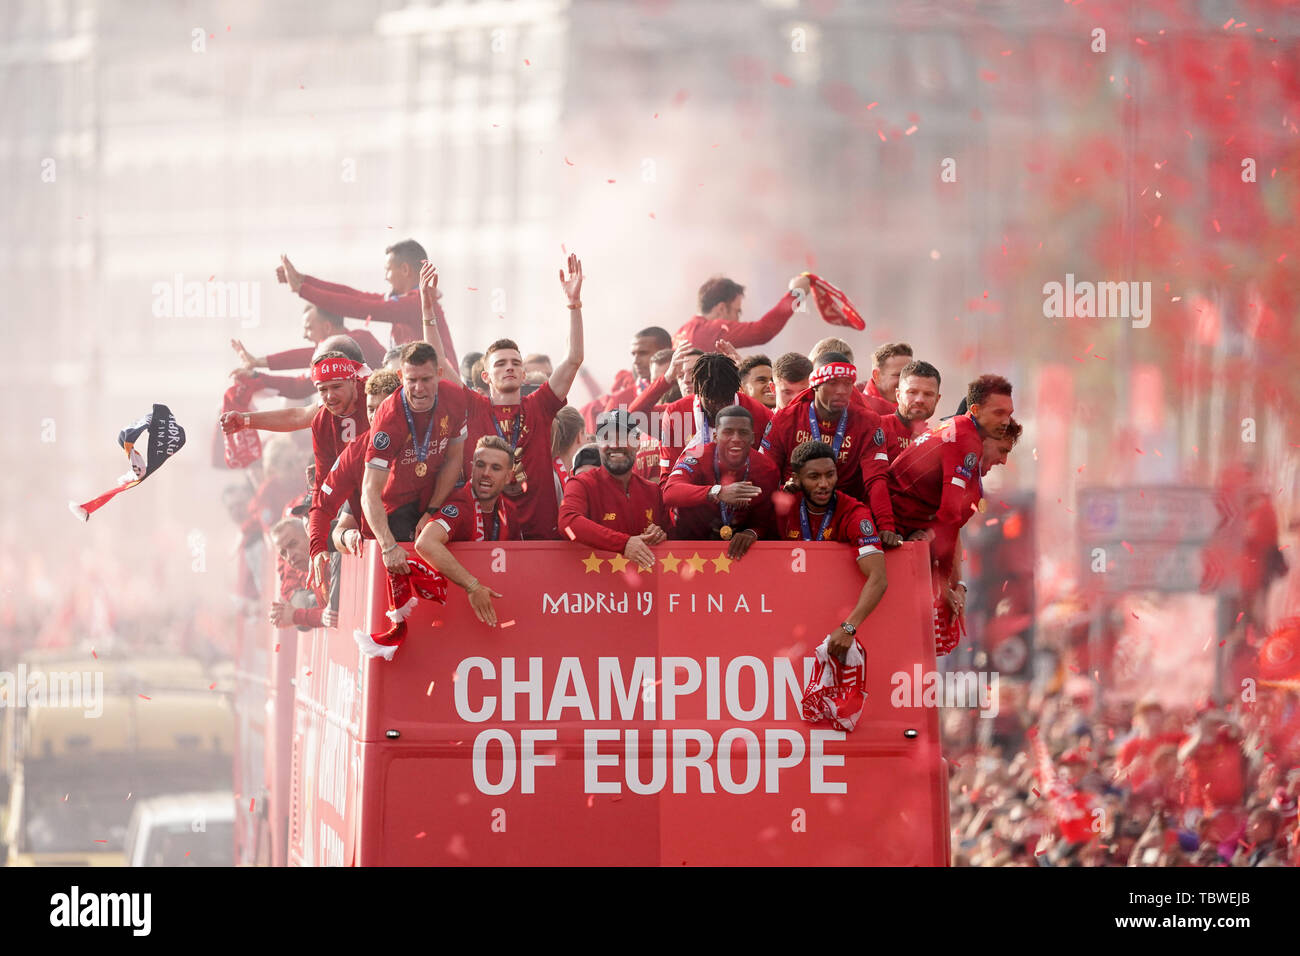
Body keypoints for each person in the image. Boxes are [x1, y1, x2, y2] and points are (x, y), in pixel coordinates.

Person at [455, 254, 585, 539]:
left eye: (515, 363)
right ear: (486, 377)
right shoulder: (475, 408)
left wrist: (573, 305)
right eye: (500, 364)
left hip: (542, 534)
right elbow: (440, 368)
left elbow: (574, 358)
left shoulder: (540, 404)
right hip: (486, 534)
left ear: (524, 374)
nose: (510, 367)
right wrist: (428, 310)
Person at [760, 352, 899, 544]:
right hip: (792, 512)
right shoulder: (785, 419)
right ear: (815, 385)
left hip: (845, 514)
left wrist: (886, 527)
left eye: (847, 384)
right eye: (833, 383)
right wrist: (755, 527)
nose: (841, 390)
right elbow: (765, 475)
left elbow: (876, 479)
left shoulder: (867, 422)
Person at [775, 441, 888, 660]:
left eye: (830, 475)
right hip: (785, 620)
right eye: (814, 477)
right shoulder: (783, 504)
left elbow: (879, 577)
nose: (824, 484)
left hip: (833, 620)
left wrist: (848, 628)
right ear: (796, 479)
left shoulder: (854, 513)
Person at [361, 342, 469, 570]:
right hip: (398, 505)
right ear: (401, 376)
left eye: (426, 379)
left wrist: (431, 510)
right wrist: (388, 546)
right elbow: (369, 492)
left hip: (437, 494)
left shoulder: (456, 398)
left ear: (439, 374)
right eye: (412, 380)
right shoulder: (388, 418)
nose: (419, 388)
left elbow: (453, 459)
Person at [415, 436, 523, 627]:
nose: (486, 473)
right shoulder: (461, 504)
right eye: (480, 465)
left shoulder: (510, 511)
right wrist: (473, 586)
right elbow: (425, 543)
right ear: (472, 467)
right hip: (449, 620)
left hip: (491, 616)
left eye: (496, 468)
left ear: (508, 476)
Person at [888, 373, 1014, 535]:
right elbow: (950, 514)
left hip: (903, 529)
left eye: (1008, 415)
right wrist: (929, 541)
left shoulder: (960, 437)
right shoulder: (964, 437)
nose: (1004, 422)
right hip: (893, 528)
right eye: (998, 414)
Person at [306, 369, 401, 584]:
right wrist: (318, 549)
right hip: (378, 564)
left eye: (384, 408)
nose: (376, 416)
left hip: (422, 552)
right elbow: (322, 506)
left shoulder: (425, 441)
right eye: (370, 409)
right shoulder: (356, 450)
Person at [557, 410, 671, 570]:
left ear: (638, 443)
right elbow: (567, 523)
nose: (615, 444)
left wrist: (661, 535)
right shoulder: (581, 484)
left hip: (646, 592)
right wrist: (624, 544)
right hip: (597, 591)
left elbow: (672, 536)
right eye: (607, 438)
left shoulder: (653, 491)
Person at [662, 405, 781, 557]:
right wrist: (717, 492)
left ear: (752, 438)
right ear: (716, 436)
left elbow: (767, 519)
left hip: (738, 552)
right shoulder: (697, 456)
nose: (736, 439)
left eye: (743, 433)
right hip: (690, 546)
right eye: (728, 432)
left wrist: (752, 533)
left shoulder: (767, 468)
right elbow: (670, 493)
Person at [275, 238, 439, 347]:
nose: (385, 277)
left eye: (388, 270)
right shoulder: (405, 301)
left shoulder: (418, 302)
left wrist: (302, 289)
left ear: (404, 269)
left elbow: (358, 306)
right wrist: (303, 280)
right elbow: (355, 296)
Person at [632, 351, 772, 478]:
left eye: (726, 400)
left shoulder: (759, 414)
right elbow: (668, 479)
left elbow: (772, 472)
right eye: (711, 400)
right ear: (698, 392)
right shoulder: (677, 413)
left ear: (736, 390)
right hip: (693, 500)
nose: (719, 407)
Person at [230, 302, 386, 382]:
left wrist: (258, 363)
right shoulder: (333, 357)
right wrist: (257, 370)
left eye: (309, 328)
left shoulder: (359, 340)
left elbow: (305, 361)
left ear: (327, 327)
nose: (305, 336)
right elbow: (298, 385)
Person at [674, 274, 812, 351]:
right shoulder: (713, 330)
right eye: (737, 312)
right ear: (721, 308)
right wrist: (796, 294)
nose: (738, 320)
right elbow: (763, 331)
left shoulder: (681, 332)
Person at [268, 518, 336, 629]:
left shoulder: (330, 554)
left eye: (293, 544)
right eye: (283, 553)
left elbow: (336, 610)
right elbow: (328, 613)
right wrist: (289, 615)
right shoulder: (313, 574)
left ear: (308, 535)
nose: (290, 556)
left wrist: (296, 616)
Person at [879, 359, 942, 461]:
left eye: (928, 394)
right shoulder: (878, 427)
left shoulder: (936, 441)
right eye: (912, 392)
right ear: (898, 395)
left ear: (937, 399)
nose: (920, 400)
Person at [863, 342, 914, 415]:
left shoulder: (914, 408)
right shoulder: (860, 413)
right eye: (899, 375)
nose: (907, 382)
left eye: (910, 375)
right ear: (876, 375)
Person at [551, 406, 586, 500]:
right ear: (579, 435)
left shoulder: (550, 472)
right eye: (584, 434)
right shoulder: (553, 479)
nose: (586, 440)